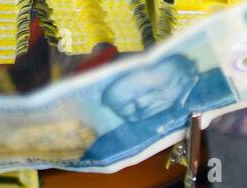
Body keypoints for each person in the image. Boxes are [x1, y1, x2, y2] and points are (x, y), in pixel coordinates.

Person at [81, 53, 234, 165]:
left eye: (153, 90)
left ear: (190, 69)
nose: (143, 104)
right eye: (125, 107)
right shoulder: (114, 141)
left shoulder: (222, 82)